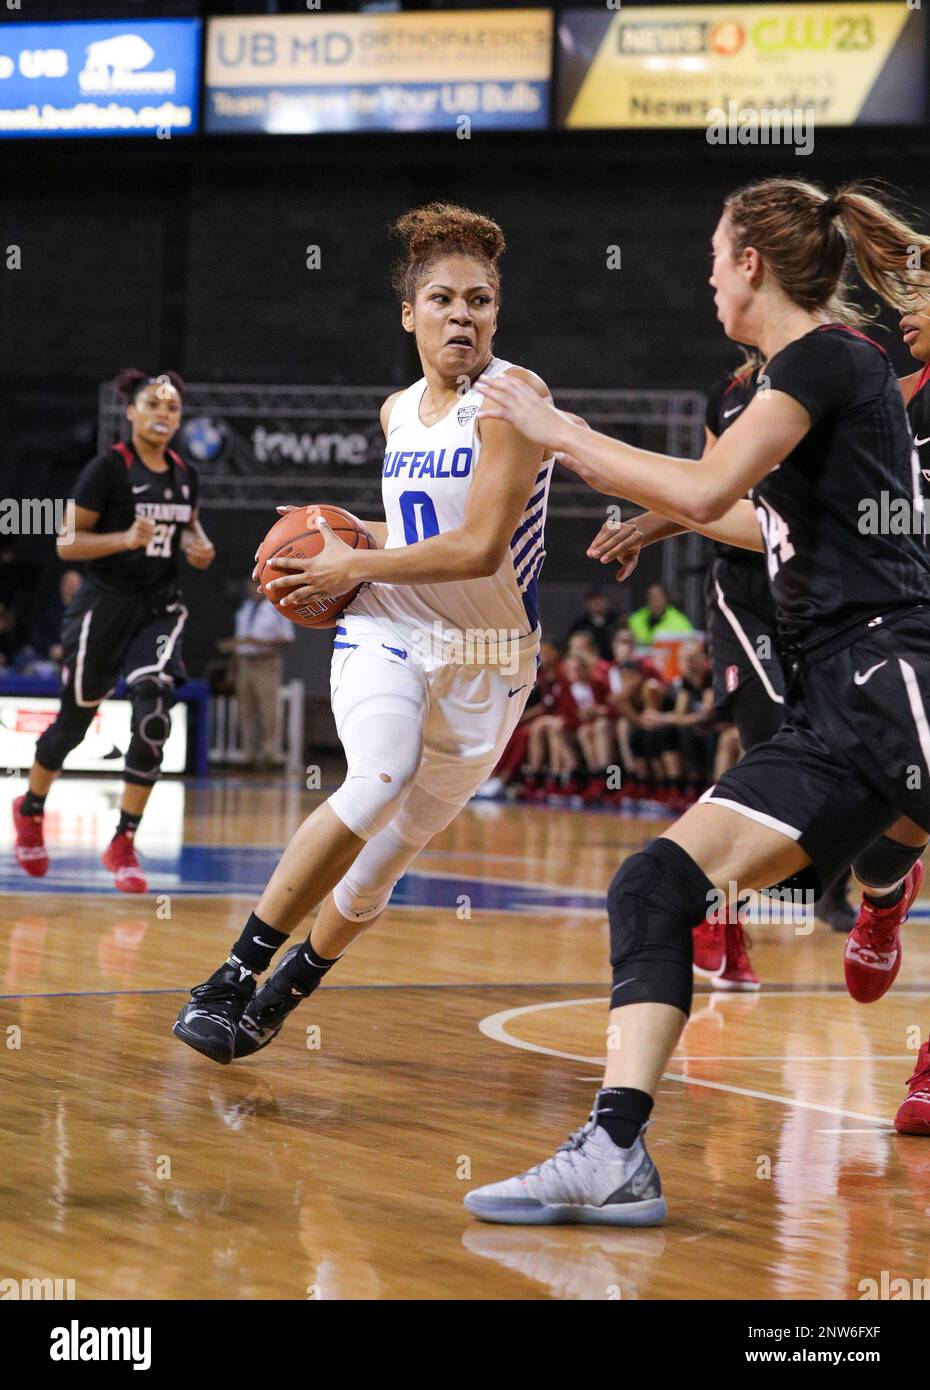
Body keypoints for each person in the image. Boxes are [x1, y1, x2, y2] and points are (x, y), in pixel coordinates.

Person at [463, 178, 930, 1224]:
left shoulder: (823, 359)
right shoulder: (813, 378)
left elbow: (712, 488)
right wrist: (654, 512)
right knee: (652, 888)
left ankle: (886, 898)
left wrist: (555, 427)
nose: (707, 276)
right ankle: (615, 1147)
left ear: (753, 262)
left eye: (715, 255)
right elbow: (752, 520)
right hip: (841, 711)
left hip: (897, 682)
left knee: (869, 856)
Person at [173, 201, 555, 1065]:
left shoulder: (514, 398)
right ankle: (231, 975)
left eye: (482, 300)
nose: (465, 314)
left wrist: (352, 564)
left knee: (386, 859)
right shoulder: (396, 411)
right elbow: (406, 536)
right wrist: (337, 539)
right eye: (446, 299)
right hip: (392, 629)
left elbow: (478, 547)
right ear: (410, 313)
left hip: (490, 660)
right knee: (378, 775)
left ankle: (287, 989)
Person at [11, 369, 215, 892]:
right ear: (131, 412)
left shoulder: (184, 473)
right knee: (73, 724)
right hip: (104, 604)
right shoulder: (108, 470)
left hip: (159, 607)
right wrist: (124, 538)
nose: (163, 413)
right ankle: (30, 808)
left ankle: (124, 840)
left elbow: (189, 525)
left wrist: (199, 544)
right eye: (153, 404)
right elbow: (66, 543)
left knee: (153, 720)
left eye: (171, 406)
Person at [225, 579, 295, 768]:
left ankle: (270, 755)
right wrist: (233, 667)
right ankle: (248, 756)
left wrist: (258, 643)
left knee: (268, 710)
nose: (252, 589)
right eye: (249, 585)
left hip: (266, 662)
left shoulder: (275, 608)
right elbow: (239, 641)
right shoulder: (245, 609)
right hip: (245, 662)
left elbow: (286, 639)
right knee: (246, 710)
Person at [627, 582, 693, 647]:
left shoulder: (680, 622)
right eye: (651, 597)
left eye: (658, 597)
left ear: (666, 598)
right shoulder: (635, 619)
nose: (654, 601)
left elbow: (690, 644)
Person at [567, 589, 619, 660]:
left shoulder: (616, 620)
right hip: (588, 662)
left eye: (599, 600)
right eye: (592, 601)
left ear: (606, 601)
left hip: (613, 660)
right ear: (587, 604)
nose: (596, 603)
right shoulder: (580, 624)